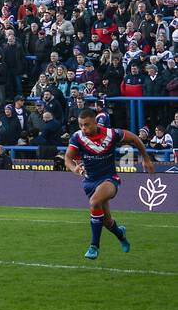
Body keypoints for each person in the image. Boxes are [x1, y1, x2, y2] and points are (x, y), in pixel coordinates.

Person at [64, 109, 155, 260]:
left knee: (94, 202)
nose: (83, 128)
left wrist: (145, 158)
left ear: (95, 122)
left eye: (86, 125)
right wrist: (75, 168)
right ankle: (121, 235)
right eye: (81, 125)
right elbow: (68, 158)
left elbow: (134, 138)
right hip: (89, 182)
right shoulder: (78, 137)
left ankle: (94, 246)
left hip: (109, 179)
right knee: (106, 221)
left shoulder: (112, 134)